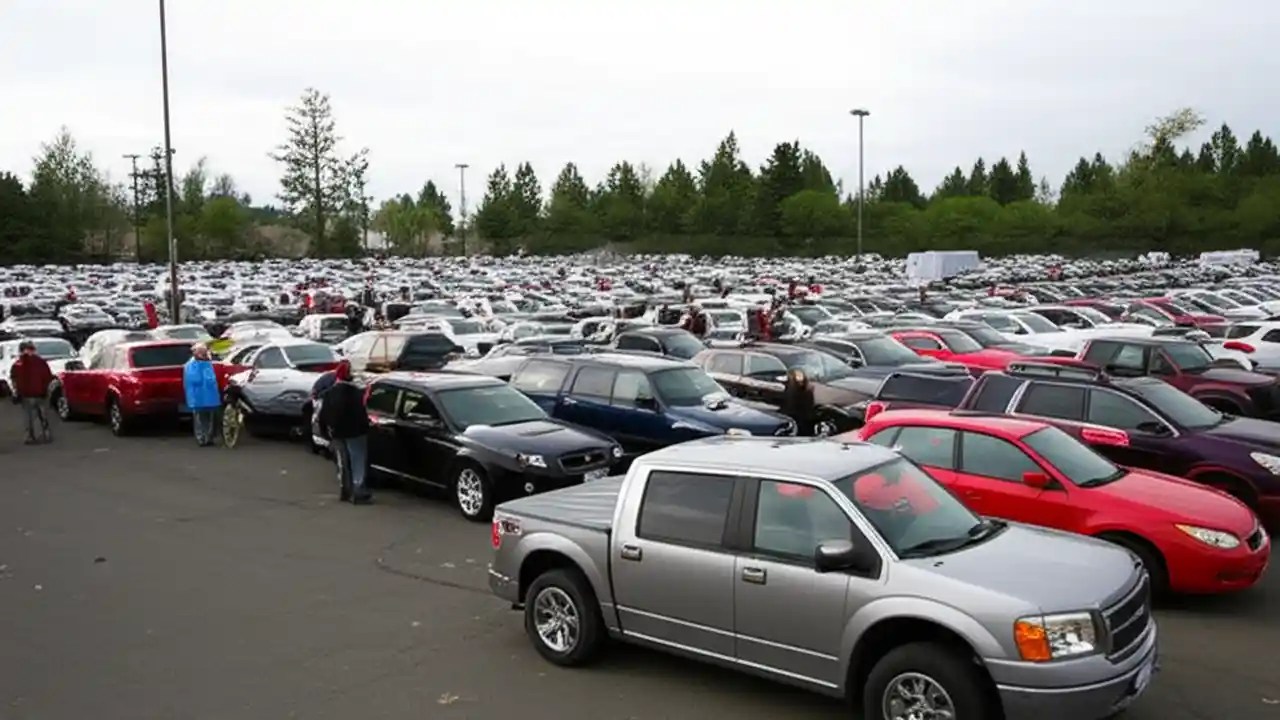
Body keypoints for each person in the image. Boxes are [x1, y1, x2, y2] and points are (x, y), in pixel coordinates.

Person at [319, 363, 371, 504]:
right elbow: (362, 413)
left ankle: (345, 489)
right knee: (357, 460)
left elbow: (323, 415)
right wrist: (366, 428)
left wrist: (326, 434)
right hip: (356, 432)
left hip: (337, 433)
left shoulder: (330, 393)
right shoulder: (356, 393)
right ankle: (358, 489)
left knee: (342, 462)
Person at [10, 340, 53, 444]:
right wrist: (45, 389)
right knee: (42, 415)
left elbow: (14, 380)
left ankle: (29, 437)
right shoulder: (41, 362)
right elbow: (48, 377)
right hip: (40, 393)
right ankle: (45, 435)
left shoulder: (17, 364)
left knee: (28, 417)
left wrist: (17, 392)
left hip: (26, 395)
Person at [183, 343, 222, 446]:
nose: (203, 355)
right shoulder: (191, 365)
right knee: (200, 418)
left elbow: (212, 379)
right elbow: (194, 379)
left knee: (210, 418)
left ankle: (209, 438)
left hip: (210, 396)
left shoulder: (208, 364)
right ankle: (202, 438)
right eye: (201, 352)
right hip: (198, 396)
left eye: (204, 352)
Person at [781, 368, 816, 436]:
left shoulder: (807, 390)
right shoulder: (790, 389)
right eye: (797, 376)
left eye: (800, 376)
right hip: (794, 415)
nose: (799, 378)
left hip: (803, 417)